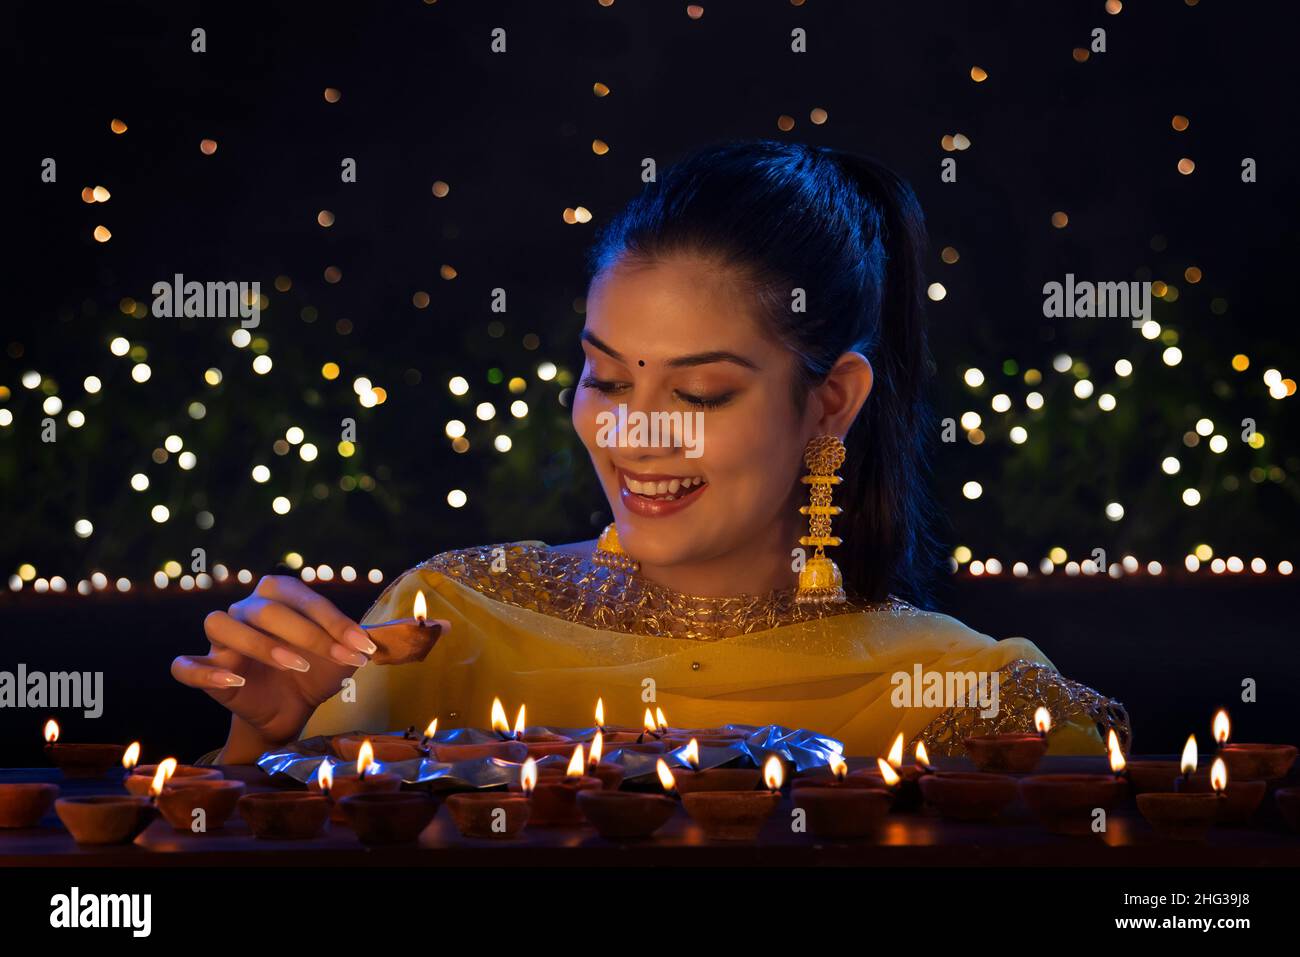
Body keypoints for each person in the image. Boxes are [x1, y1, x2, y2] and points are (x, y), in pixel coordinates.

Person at [174, 140, 1129, 765]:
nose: (634, 433)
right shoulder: (447, 623)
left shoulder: (976, 702)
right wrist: (261, 738)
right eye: (608, 379)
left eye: (702, 392)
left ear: (830, 402)